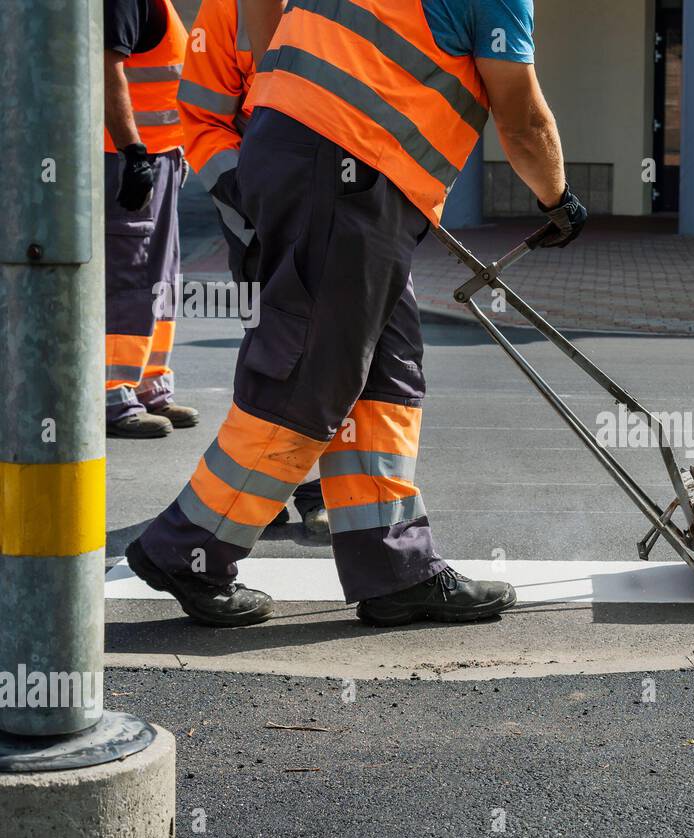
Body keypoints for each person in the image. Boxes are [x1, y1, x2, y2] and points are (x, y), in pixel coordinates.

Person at [127, 0, 587, 627]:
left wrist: (275, 85)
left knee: (385, 373)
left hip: (336, 164)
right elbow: (522, 117)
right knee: (310, 377)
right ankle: (186, 550)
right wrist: (558, 198)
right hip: (345, 168)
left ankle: (395, 569)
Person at [177, 0, 328, 537]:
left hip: (348, 209)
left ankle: (324, 491)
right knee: (280, 352)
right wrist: (250, 194)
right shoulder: (230, 9)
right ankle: (281, 492)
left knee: (350, 353)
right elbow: (202, 119)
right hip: (260, 217)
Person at [104, 0, 200, 438]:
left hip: (161, 158)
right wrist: (133, 153)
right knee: (130, 276)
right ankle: (112, 393)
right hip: (127, 160)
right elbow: (106, 66)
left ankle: (149, 384)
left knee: (161, 276)